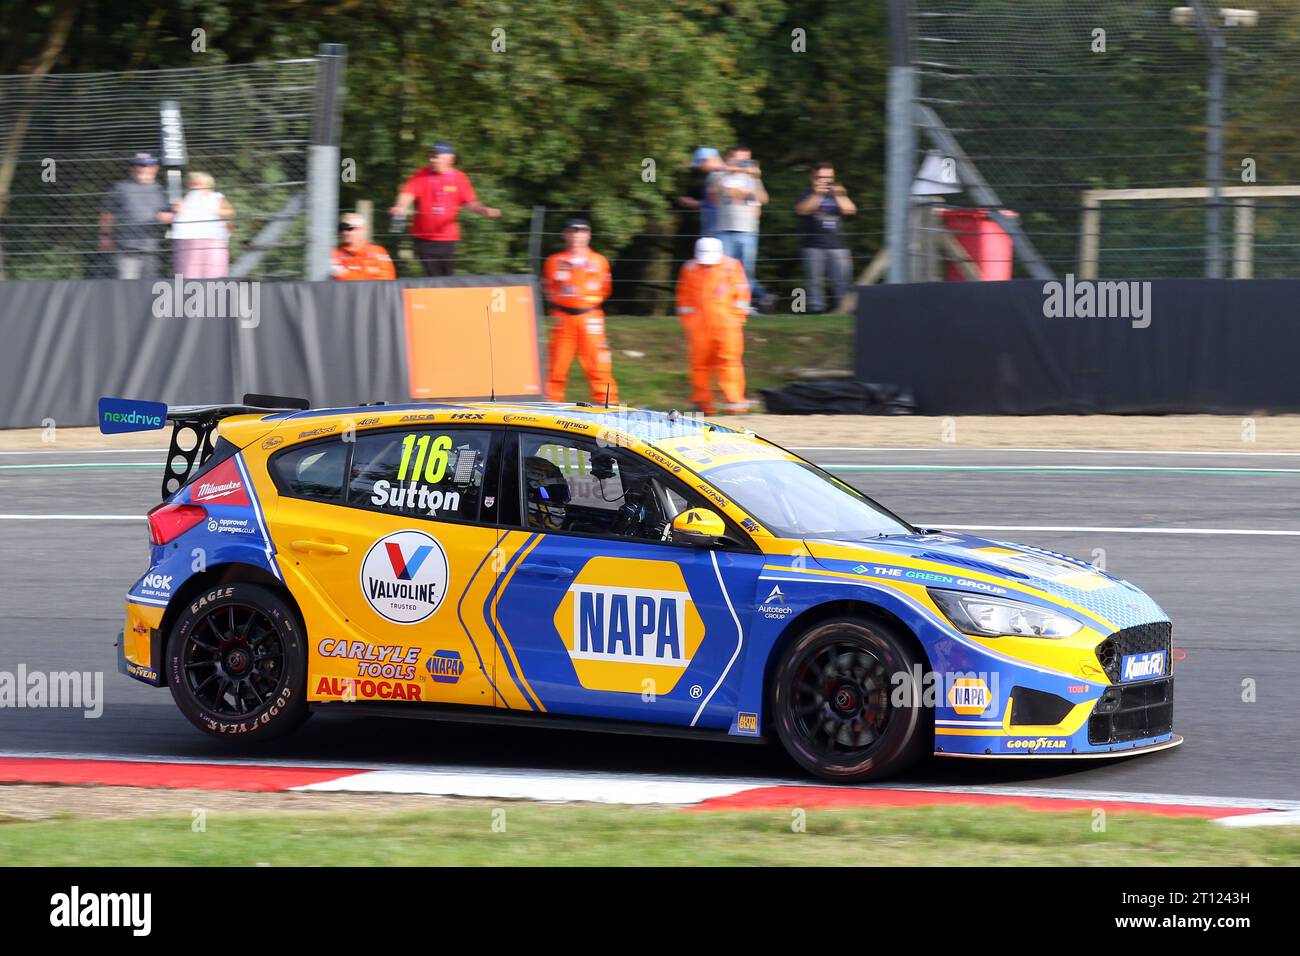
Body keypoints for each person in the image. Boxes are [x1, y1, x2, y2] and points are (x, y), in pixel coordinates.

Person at [388, 140, 499, 276]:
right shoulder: (421, 175)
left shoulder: (459, 178)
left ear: (450, 158)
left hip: (447, 238)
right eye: (431, 156)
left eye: (436, 156)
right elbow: (407, 193)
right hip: (424, 238)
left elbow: (470, 202)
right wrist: (400, 207)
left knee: (446, 277)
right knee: (433, 277)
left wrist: (484, 210)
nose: (432, 159)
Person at [542, 219, 618, 403]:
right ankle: (548, 410)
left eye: (582, 231)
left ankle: (609, 407)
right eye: (573, 231)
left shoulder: (599, 261)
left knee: (599, 367)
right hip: (562, 319)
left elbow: (606, 289)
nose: (577, 235)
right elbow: (548, 289)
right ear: (565, 234)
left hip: (590, 318)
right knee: (555, 368)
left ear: (588, 235)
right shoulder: (554, 261)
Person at [675, 236, 751, 415]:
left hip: (727, 325)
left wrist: (737, 319)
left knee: (729, 363)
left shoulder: (732, 266)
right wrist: (689, 323)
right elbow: (683, 297)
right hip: (699, 326)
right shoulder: (690, 268)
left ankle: (735, 404)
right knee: (699, 364)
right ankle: (702, 404)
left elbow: (742, 294)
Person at [708, 145, 774, 312]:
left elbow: (763, 199)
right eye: (739, 159)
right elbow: (713, 191)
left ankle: (744, 306)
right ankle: (726, 306)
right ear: (730, 159)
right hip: (724, 230)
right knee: (724, 272)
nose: (743, 164)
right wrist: (728, 172)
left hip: (748, 231)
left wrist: (756, 178)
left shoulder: (752, 179)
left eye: (747, 159)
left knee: (745, 273)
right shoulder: (721, 175)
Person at [98, 152, 174, 279]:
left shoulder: (161, 191)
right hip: (125, 248)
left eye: (146, 165)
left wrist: (170, 217)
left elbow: (169, 216)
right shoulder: (121, 188)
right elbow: (107, 213)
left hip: (151, 249)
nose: (141, 168)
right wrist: (104, 236)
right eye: (138, 165)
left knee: (149, 287)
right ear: (132, 168)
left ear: (155, 168)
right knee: (126, 286)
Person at [795, 162, 857, 313]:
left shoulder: (837, 193)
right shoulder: (807, 193)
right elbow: (801, 210)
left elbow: (850, 210)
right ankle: (817, 311)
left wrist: (840, 195)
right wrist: (817, 194)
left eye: (829, 177)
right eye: (821, 177)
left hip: (837, 245)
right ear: (813, 177)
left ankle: (845, 311)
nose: (826, 181)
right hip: (813, 245)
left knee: (842, 281)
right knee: (814, 282)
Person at [171, 171, 235, 278]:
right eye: (192, 184)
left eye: (199, 184)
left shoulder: (216, 198)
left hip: (213, 242)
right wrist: (177, 211)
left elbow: (230, 212)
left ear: (208, 186)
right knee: (189, 272)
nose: (195, 187)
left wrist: (215, 211)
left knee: (214, 271)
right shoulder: (185, 201)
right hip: (190, 243)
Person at [331, 213, 396, 280]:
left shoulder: (378, 251)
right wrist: (368, 275)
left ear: (362, 230)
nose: (345, 232)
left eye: (349, 228)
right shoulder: (335, 254)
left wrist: (346, 274)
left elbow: (387, 278)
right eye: (342, 229)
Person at [677, 147, 724, 237]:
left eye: (700, 164)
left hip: (719, 229)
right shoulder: (712, 176)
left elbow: (718, 203)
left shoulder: (722, 176)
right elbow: (711, 203)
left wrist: (693, 203)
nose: (699, 168)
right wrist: (694, 203)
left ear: (708, 160)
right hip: (711, 226)